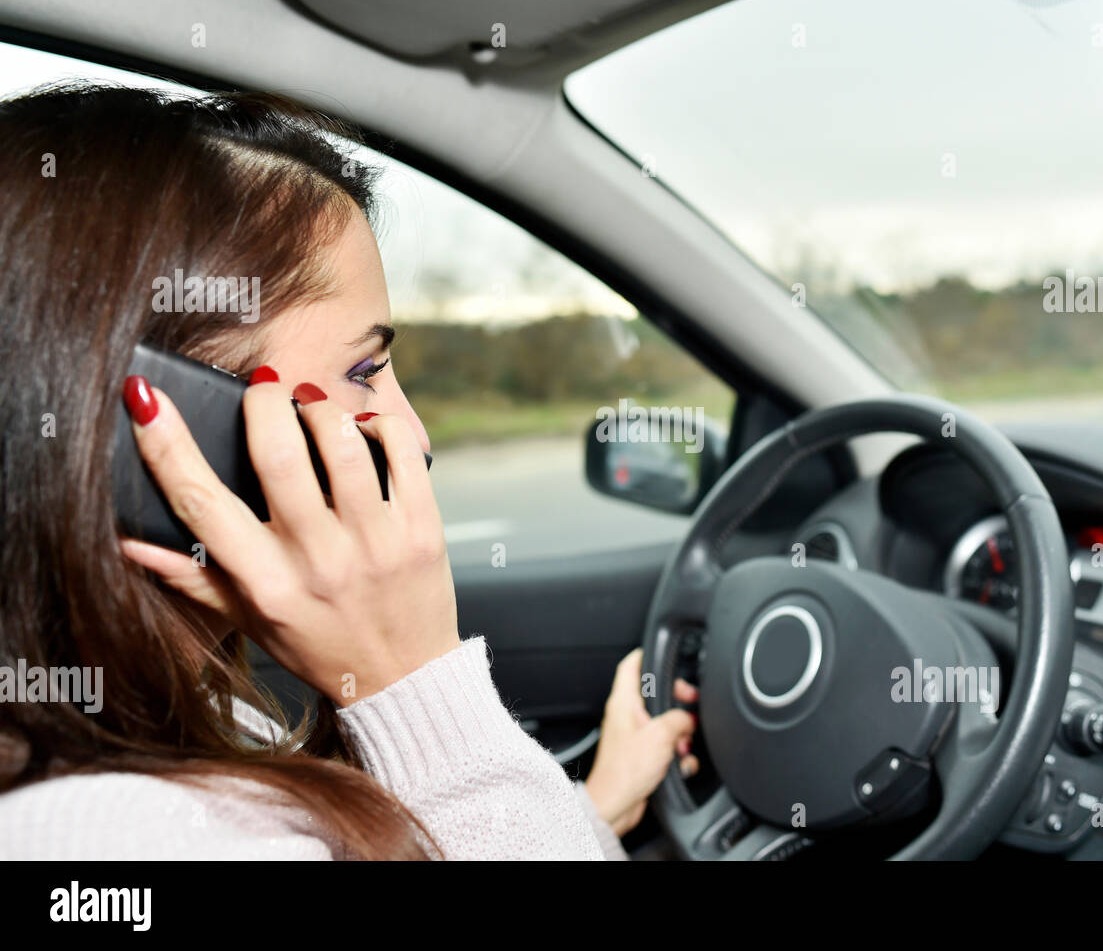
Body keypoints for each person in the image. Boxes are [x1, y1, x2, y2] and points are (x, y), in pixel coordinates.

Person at [0, 82, 699, 859]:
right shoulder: (105, 836)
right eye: (365, 370)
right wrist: (414, 677)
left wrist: (588, 812)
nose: (414, 435)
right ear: (160, 420)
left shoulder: (173, 720)